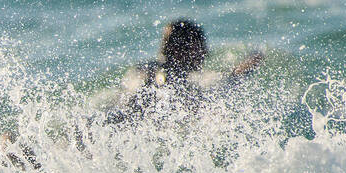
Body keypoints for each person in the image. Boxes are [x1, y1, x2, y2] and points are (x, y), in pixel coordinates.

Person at [103, 19, 264, 125]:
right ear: (177, 49)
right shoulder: (172, 75)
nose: (205, 53)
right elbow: (227, 79)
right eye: (199, 47)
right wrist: (248, 65)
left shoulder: (141, 68)